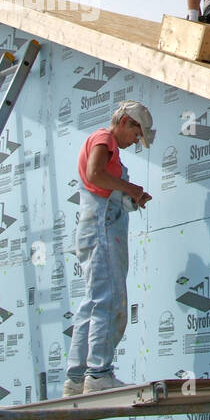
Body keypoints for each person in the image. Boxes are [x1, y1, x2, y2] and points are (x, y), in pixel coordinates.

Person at [65, 102, 154, 396]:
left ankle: (76, 379)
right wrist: (130, 190)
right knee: (108, 300)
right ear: (126, 121)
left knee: (92, 302)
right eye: (136, 135)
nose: (134, 143)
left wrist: (132, 197)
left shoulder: (107, 146)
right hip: (102, 231)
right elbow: (94, 175)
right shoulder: (105, 139)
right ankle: (99, 373)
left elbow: (102, 186)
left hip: (96, 229)